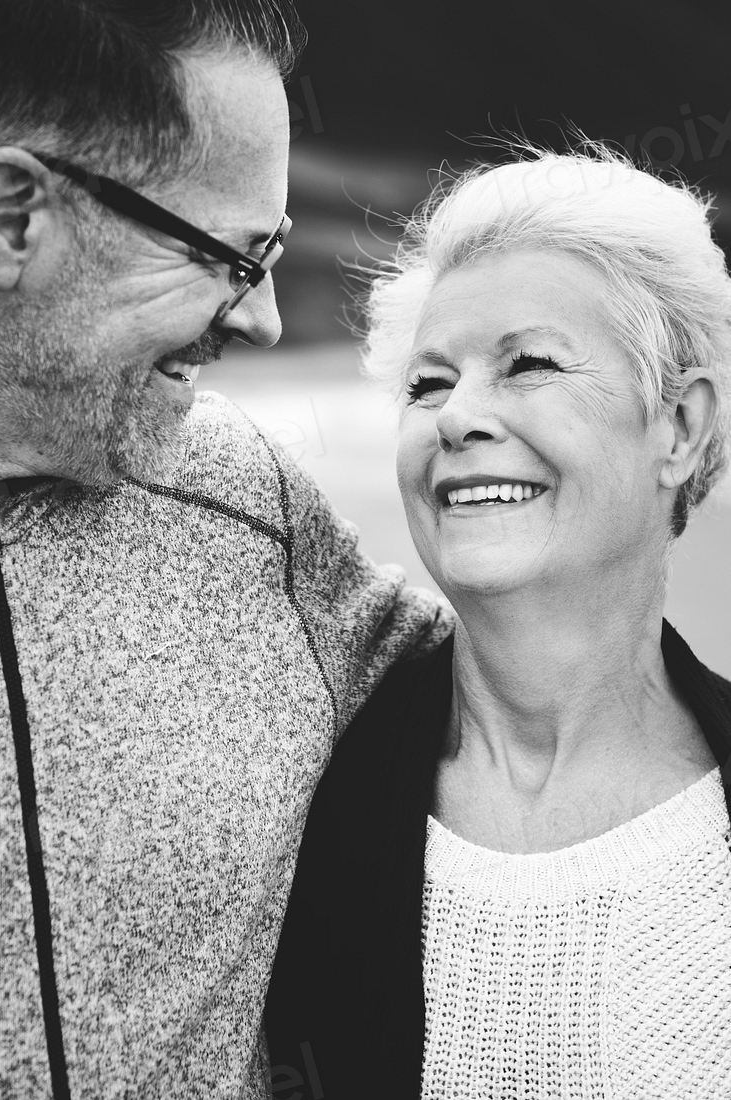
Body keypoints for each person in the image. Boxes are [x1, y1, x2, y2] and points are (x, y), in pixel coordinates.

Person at [0, 3, 451, 1097]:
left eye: (276, 254)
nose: (263, 324)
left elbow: (537, 694)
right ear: (13, 218)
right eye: (231, 257)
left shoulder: (253, 499)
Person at [266, 146, 731, 1099]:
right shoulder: (306, 777)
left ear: (678, 430)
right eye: (428, 384)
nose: (456, 417)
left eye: (527, 365)